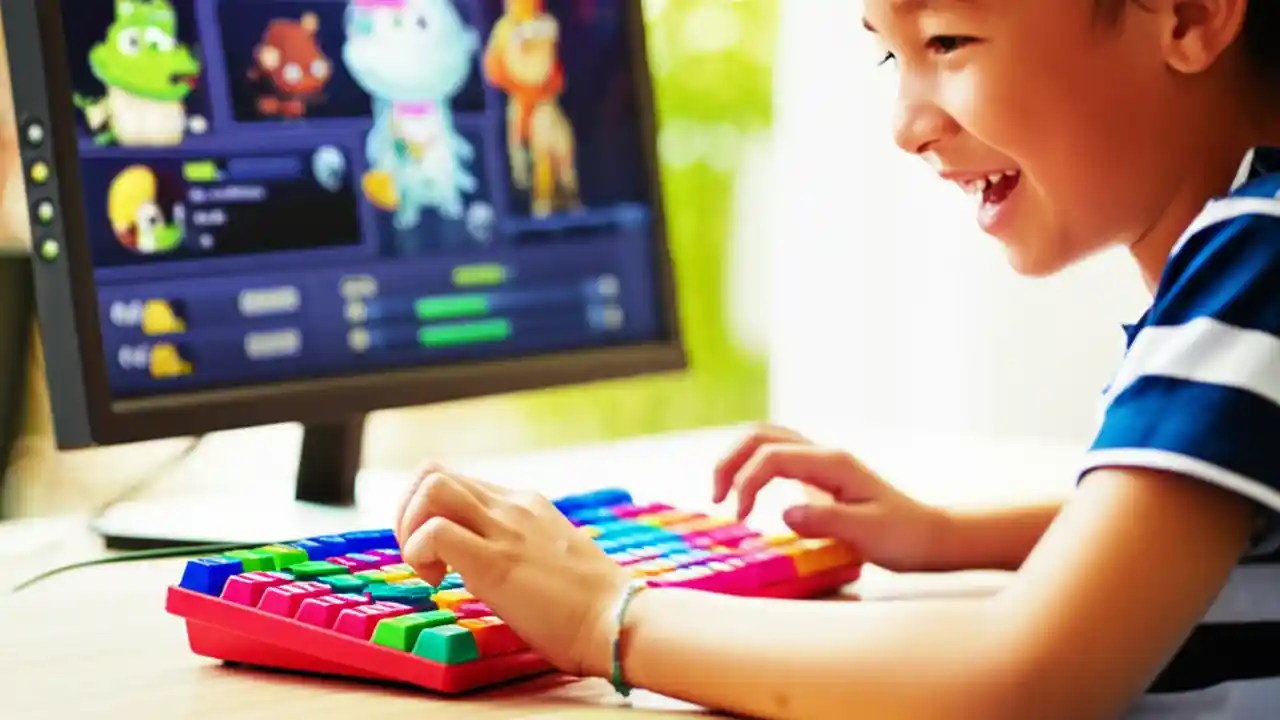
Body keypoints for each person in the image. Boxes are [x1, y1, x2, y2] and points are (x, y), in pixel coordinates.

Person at [393, 0, 1280, 717]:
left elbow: (1023, 677)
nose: (906, 125)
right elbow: (1224, 523)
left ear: (1191, 15)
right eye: (893, 56)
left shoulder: (1258, 254)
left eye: (947, 40)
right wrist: (945, 536)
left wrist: (607, 613)